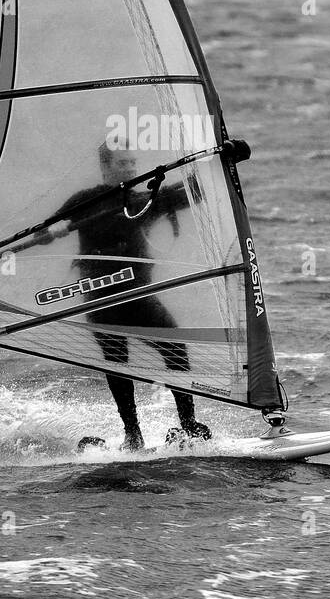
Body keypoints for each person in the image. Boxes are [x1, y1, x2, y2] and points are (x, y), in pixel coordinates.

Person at [39, 141, 213, 452]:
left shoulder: (144, 201)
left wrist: (224, 160)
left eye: (133, 163)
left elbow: (194, 191)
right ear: (106, 168)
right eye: (123, 164)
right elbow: (43, 229)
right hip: (102, 300)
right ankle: (133, 434)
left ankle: (188, 425)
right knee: (118, 363)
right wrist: (51, 231)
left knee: (176, 348)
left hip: (139, 295)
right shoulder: (85, 200)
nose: (131, 168)